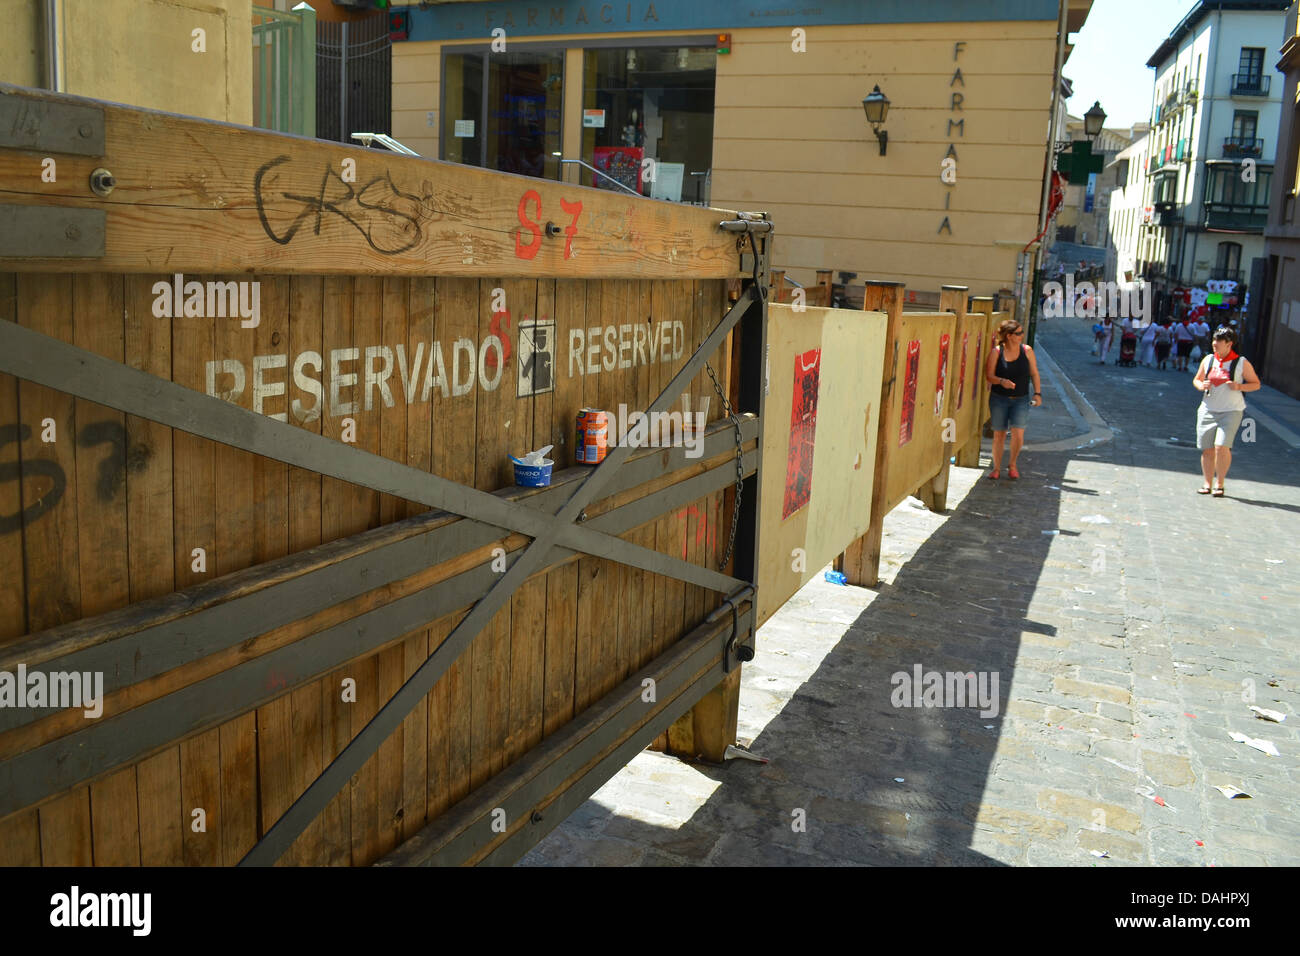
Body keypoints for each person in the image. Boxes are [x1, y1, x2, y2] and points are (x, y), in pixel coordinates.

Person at [1193, 325, 1261, 497]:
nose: (1214, 343)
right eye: (1214, 340)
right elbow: (1197, 379)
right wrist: (1201, 385)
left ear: (1229, 344)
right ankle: (1207, 483)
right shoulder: (1208, 360)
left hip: (1231, 411)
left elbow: (1256, 384)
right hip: (1208, 409)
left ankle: (1220, 484)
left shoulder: (1241, 363)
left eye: (1219, 341)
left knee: (1221, 447)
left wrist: (1239, 386)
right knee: (1207, 449)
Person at [985, 319, 1043, 480]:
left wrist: (1037, 394)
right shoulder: (996, 352)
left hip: (1021, 399)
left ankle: (1012, 464)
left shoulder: (1027, 351)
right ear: (1009, 336)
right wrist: (1001, 381)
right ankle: (996, 468)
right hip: (999, 399)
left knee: (1018, 433)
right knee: (999, 435)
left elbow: (1034, 373)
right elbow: (989, 376)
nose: (1022, 335)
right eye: (1019, 333)